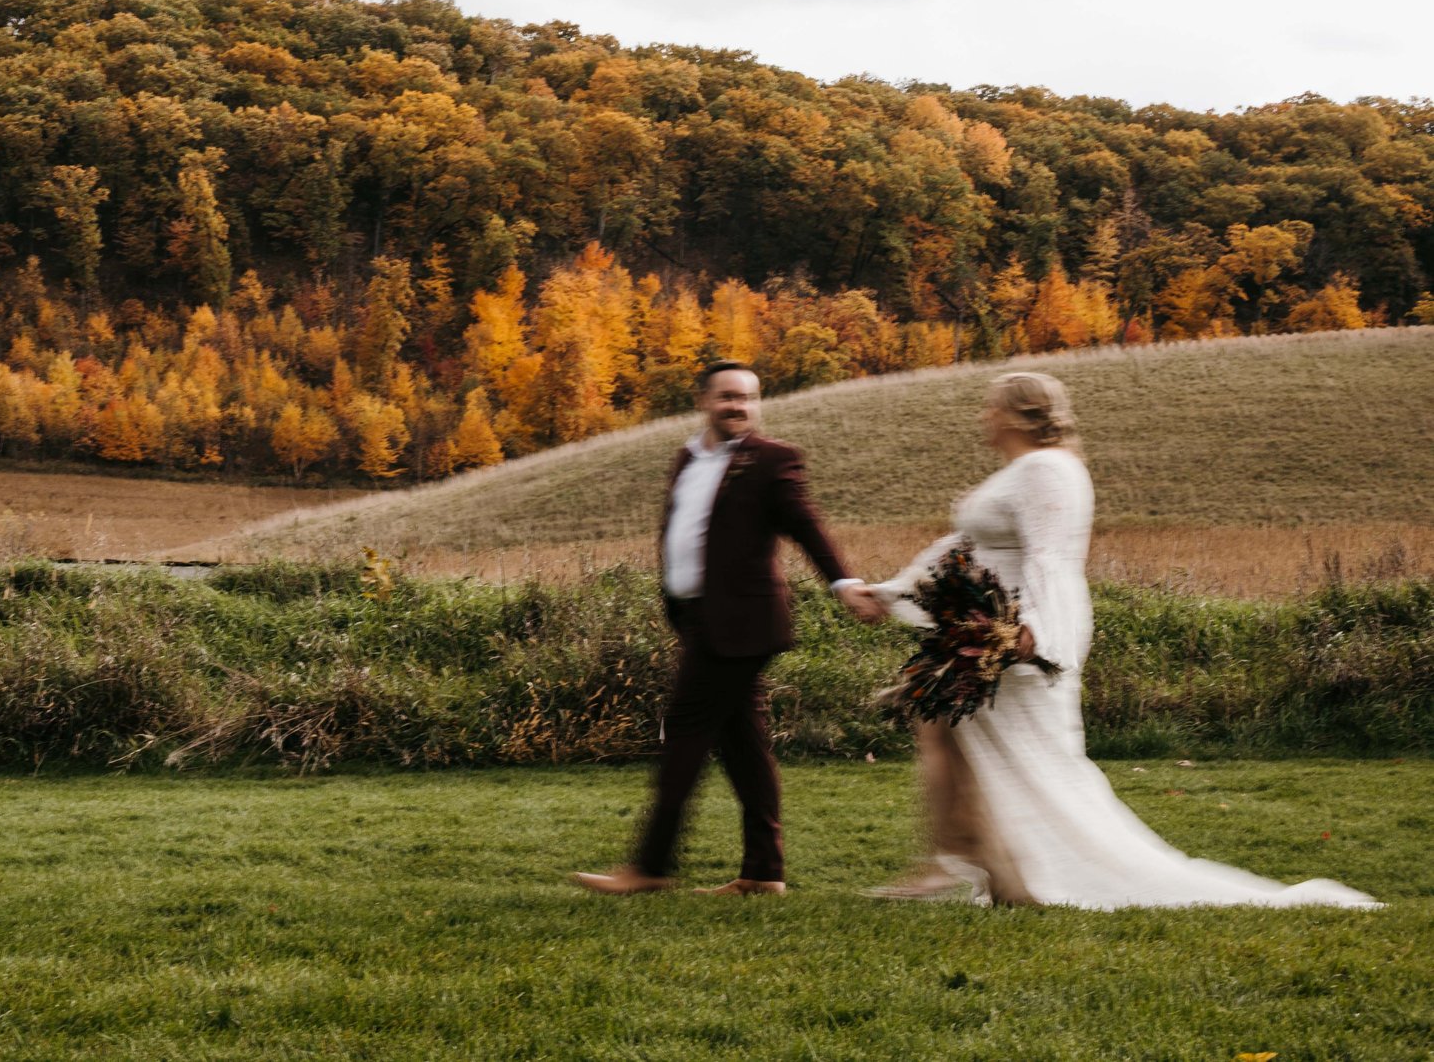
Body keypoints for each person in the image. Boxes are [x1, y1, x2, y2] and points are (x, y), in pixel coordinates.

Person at [858, 369, 1379, 910]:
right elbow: (959, 547)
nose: (983, 416)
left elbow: (1053, 558)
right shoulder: (1020, 472)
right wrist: (894, 590)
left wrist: (1037, 630)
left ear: (1018, 414)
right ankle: (979, 868)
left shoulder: (1048, 470)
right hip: (980, 629)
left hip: (1014, 639)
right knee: (948, 732)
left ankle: (999, 871)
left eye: (991, 406)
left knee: (1021, 759)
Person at [574, 360, 866, 897]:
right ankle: (763, 873)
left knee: (685, 732)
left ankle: (650, 867)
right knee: (743, 746)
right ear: (704, 400)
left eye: (749, 397)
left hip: (741, 623)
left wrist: (842, 582)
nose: (739, 406)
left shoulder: (772, 460)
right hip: (697, 618)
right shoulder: (687, 458)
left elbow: (806, 524)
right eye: (728, 396)